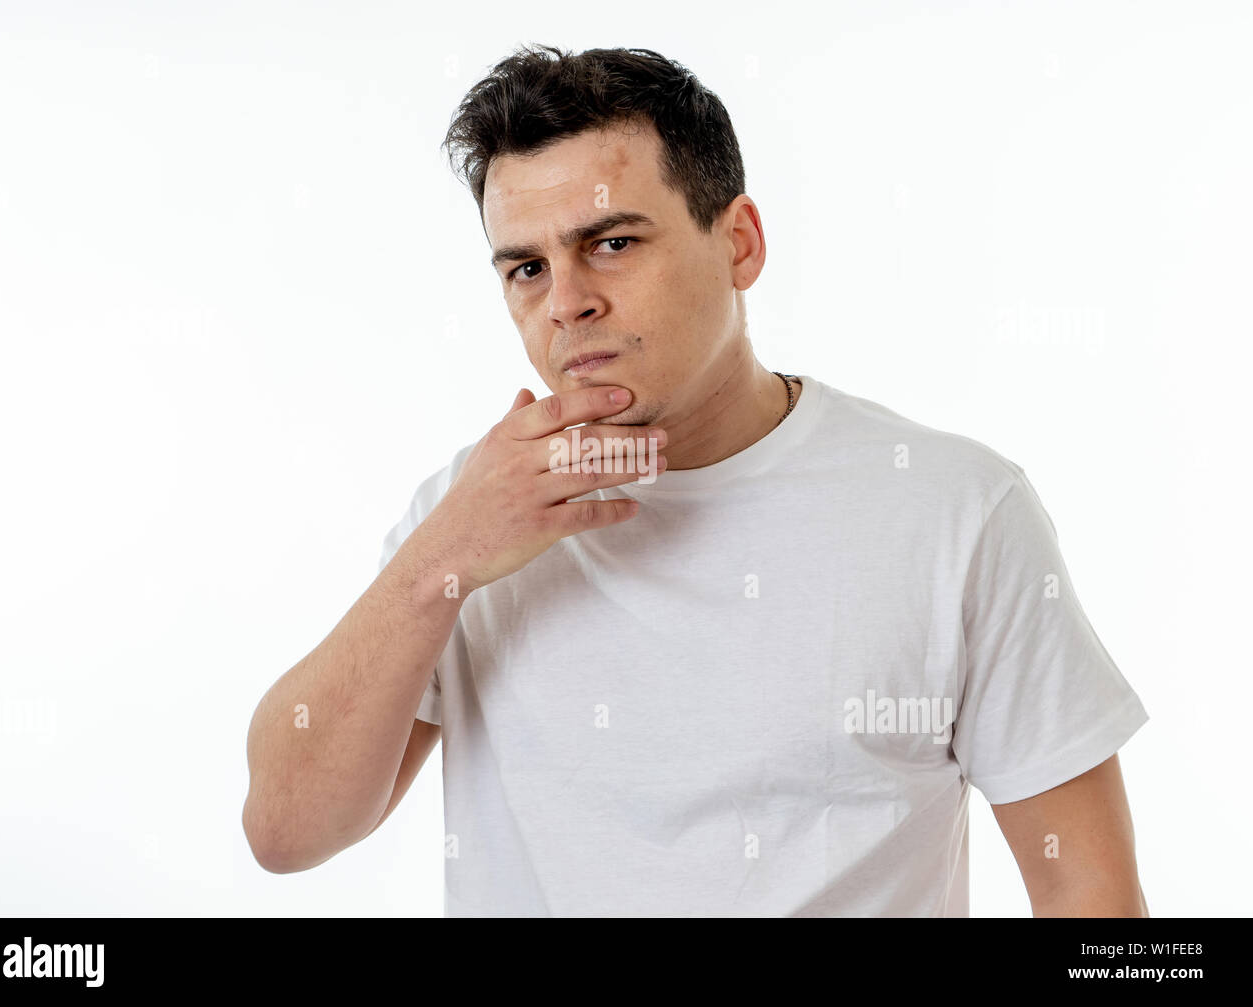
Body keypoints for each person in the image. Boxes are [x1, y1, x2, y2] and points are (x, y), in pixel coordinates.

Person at [242, 44, 1149, 917]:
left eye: (610, 242)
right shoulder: (470, 518)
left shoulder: (956, 512)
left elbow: (1090, 893)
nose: (565, 302)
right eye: (526, 267)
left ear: (740, 244)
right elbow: (285, 831)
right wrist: (442, 556)